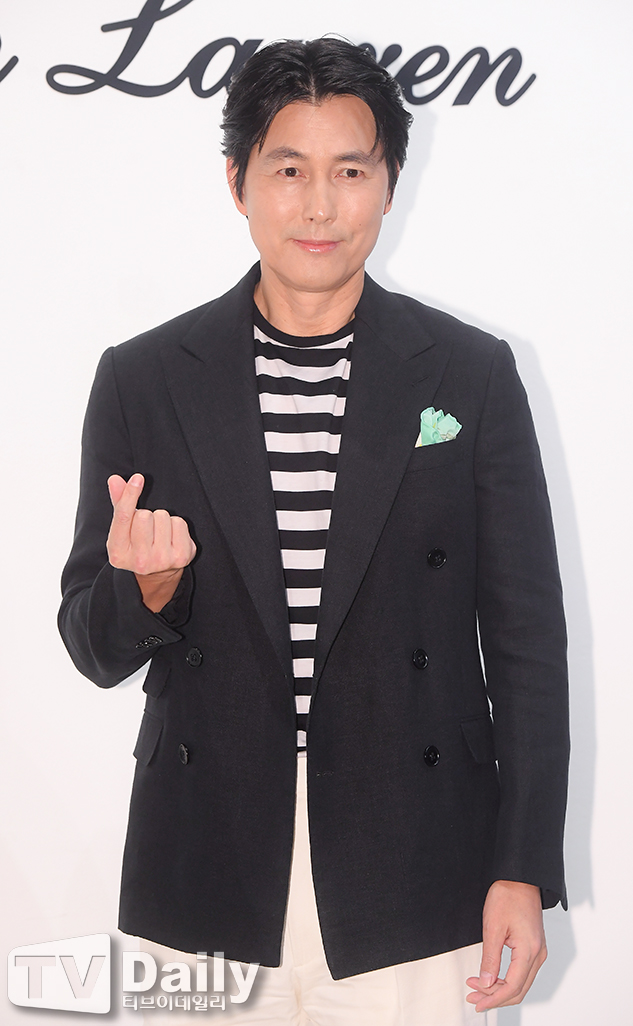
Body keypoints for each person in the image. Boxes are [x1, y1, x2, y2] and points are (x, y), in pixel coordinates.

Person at [58, 37, 569, 1026]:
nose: (320, 206)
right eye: (289, 170)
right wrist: (145, 591)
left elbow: (526, 645)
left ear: (390, 185)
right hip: (205, 865)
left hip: (418, 863)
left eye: (351, 171)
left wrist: (522, 866)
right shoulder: (145, 377)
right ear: (238, 183)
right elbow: (90, 643)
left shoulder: (468, 374)